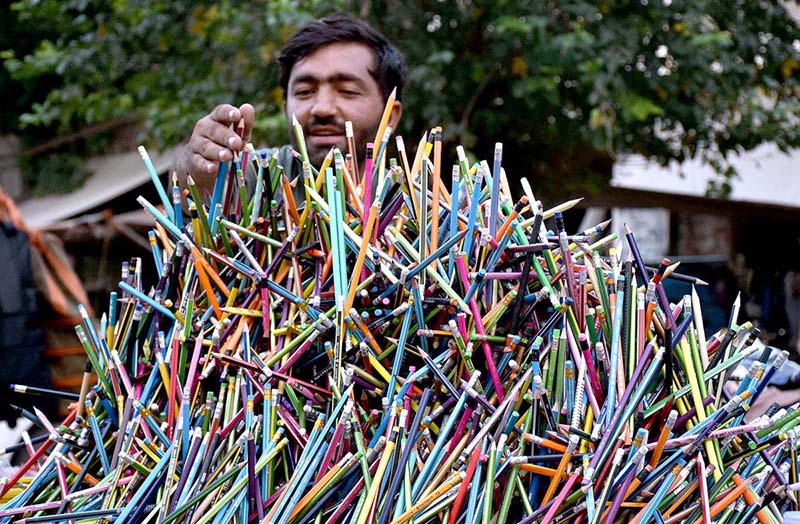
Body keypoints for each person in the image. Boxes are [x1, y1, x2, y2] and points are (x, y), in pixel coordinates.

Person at [174, 13, 406, 195]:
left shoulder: (415, 208)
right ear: (286, 108)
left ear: (391, 116)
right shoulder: (258, 176)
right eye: (304, 92)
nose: (322, 108)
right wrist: (198, 168)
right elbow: (195, 194)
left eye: (347, 91)